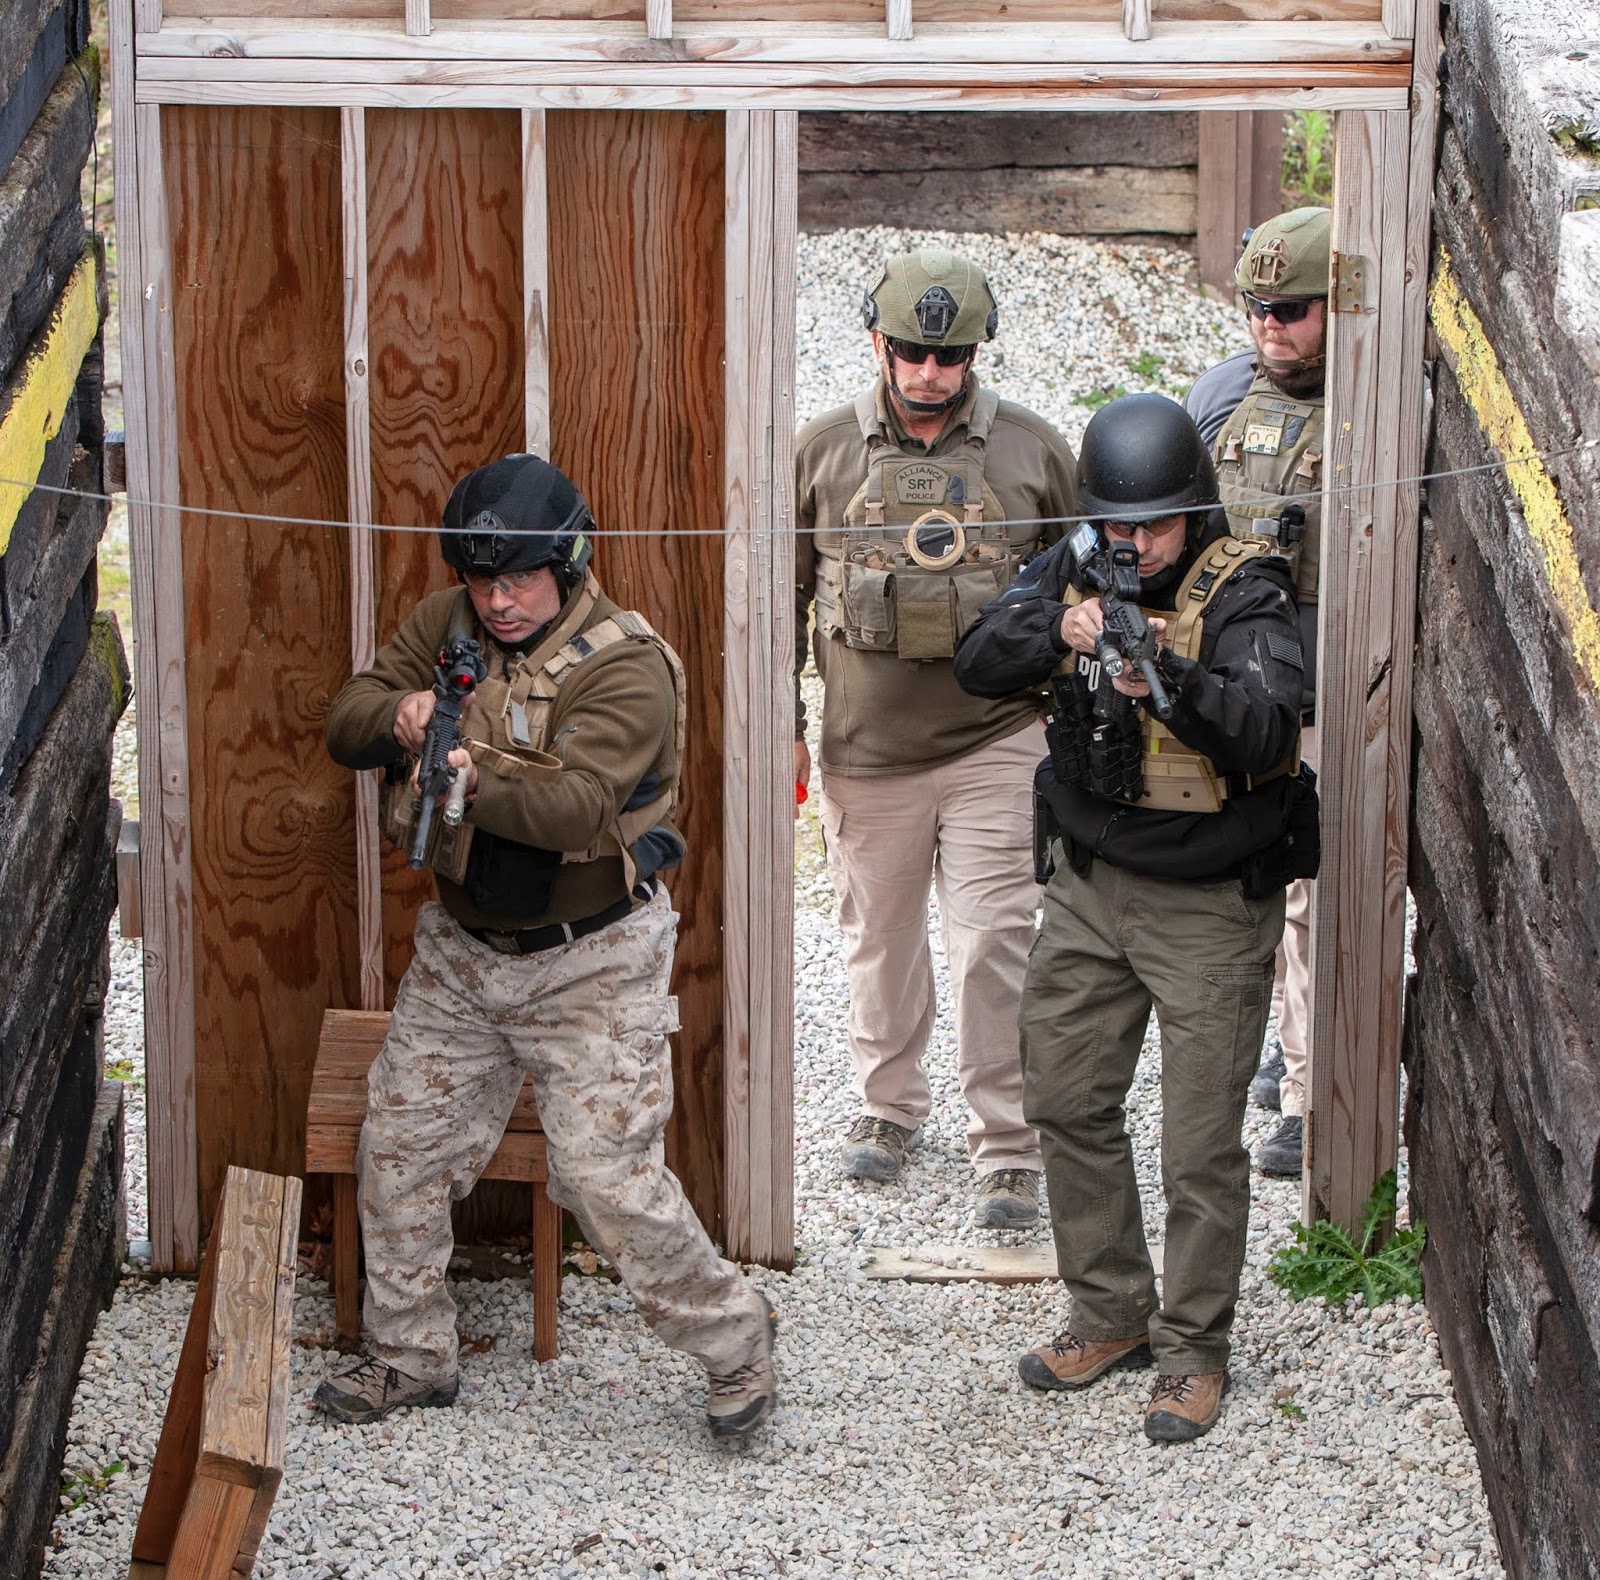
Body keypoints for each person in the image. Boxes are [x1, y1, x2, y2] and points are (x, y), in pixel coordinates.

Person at [314, 454, 776, 1438]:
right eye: (483, 579)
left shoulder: (626, 662)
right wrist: (398, 713)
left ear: (567, 563)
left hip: (591, 959)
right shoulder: (450, 624)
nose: (498, 598)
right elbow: (344, 716)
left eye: (518, 577)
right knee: (397, 1144)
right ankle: (409, 1352)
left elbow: (576, 806)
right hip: (462, 951)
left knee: (605, 1178)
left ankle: (735, 1338)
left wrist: (474, 775)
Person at [954, 393, 1315, 1442]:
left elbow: (1262, 732)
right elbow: (978, 659)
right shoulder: (1075, 562)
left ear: (1192, 513)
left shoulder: (1244, 586)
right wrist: (1055, 622)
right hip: (1088, 882)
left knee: (1199, 1144)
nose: (1133, 545)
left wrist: (1165, 675)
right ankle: (1109, 1309)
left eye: (1153, 525)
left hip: (1206, 900)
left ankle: (1194, 1345)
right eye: (1117, 525)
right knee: (1063, 1096)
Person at [794, 247, 1078, 1227]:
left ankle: (1007, 1143)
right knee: (877, 941)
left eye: (949, 356)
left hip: (995, 741)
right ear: (876, 341)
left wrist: (1068, 730)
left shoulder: (1036, 454)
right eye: (911, 351)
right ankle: (886, 1108)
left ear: (975, 354)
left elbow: (1078, 595)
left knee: (995, 938)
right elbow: (776, 600)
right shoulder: (820, 453)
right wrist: (786, 734)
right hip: (864, 751)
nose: (928, 375)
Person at [1186, 206, 1330, 1179]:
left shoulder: (1384, 401)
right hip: (1234, 702)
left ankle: (1316, 1093)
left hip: (1325, 699)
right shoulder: (1218, 398)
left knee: (1318, 904)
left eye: (1288, 308)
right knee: (1244, 890)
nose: (1267, 326)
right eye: (1254, 306)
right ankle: (1276, 1048)